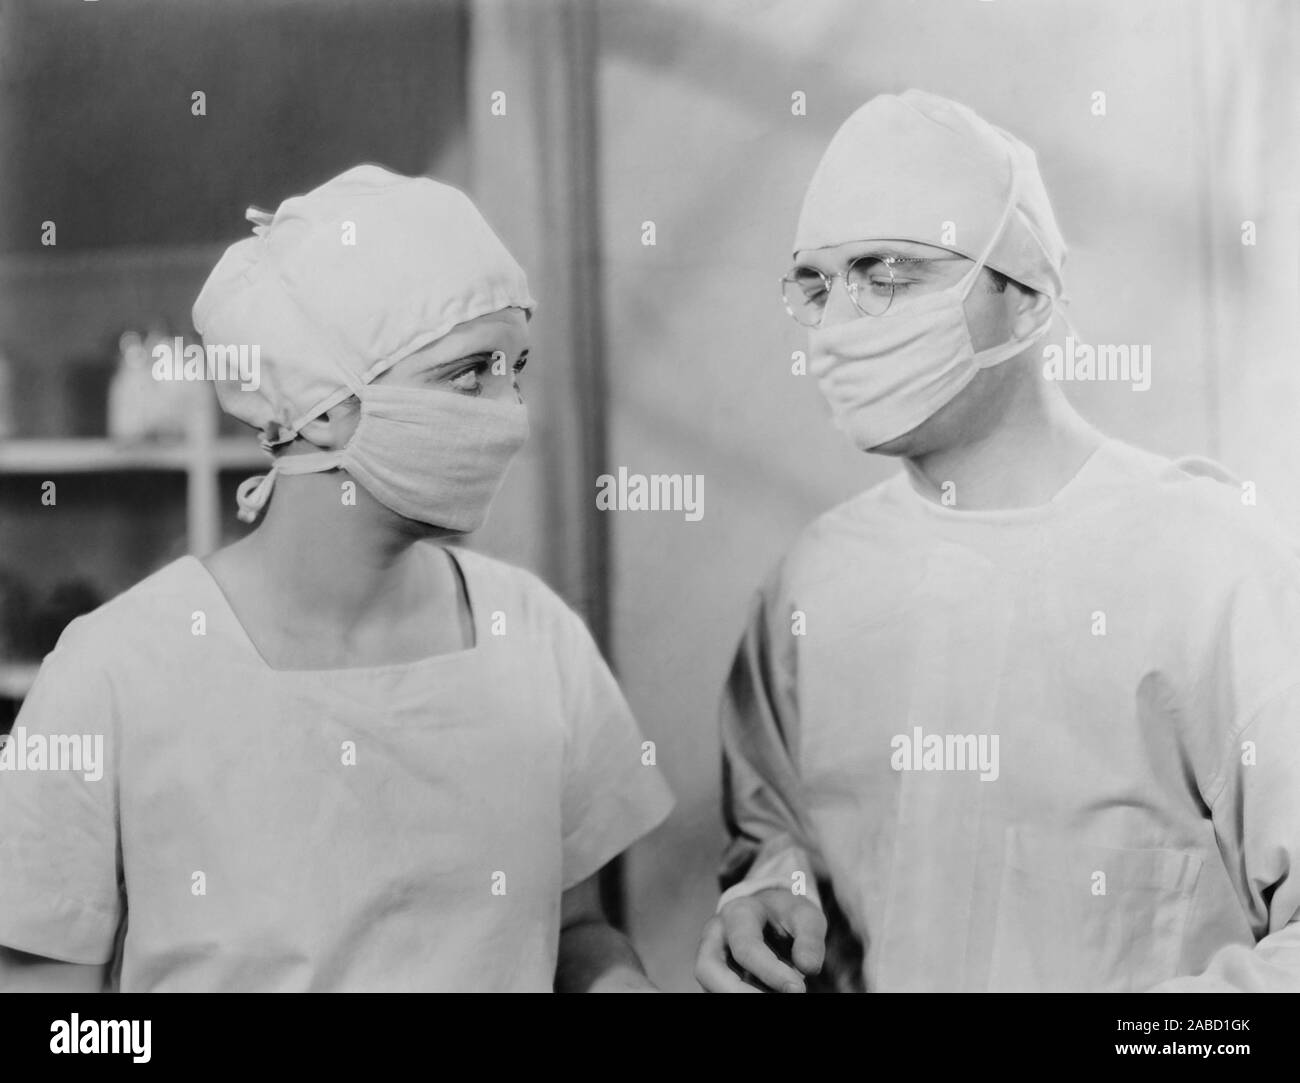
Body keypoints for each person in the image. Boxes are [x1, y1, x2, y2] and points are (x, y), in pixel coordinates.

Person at [0, 164, 673, 992]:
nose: (509, 410)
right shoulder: (113, 674)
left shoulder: (534, 636)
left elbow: (576, 930)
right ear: (318, 404)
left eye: (516, 367)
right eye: (468, 374)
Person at [695, 90, 1300, 993]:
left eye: (889, 273)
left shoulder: (1212, 573)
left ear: (1026, 301)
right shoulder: (811, 589)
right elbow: (774, 834)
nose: (842, 322)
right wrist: (769, 892)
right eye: (818, 285)